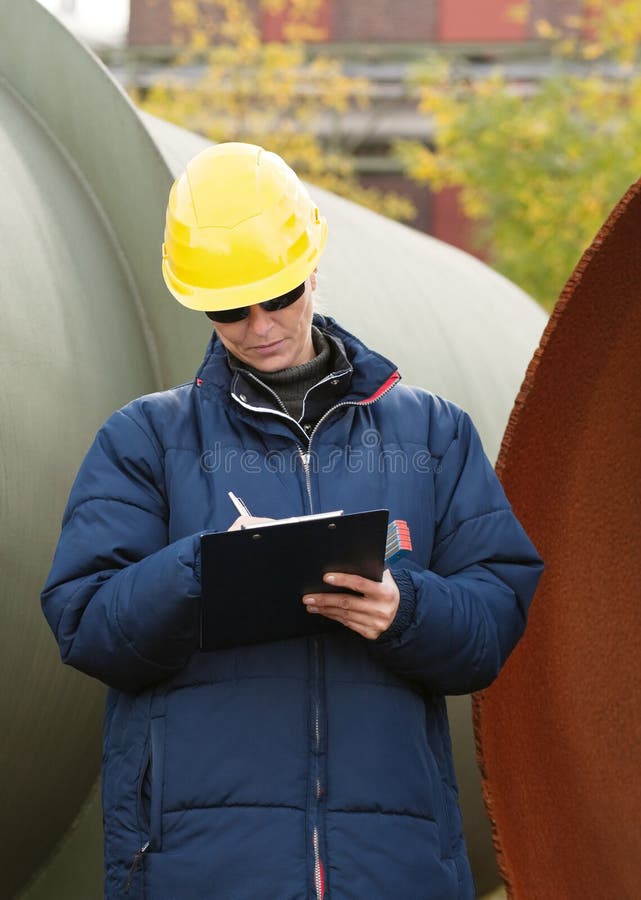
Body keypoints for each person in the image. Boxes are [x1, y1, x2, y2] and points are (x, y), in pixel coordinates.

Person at [41, 142, 544, 900]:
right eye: (227, 307)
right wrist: (200, 571)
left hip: (391, 870)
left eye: (276, 295)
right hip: (203, 871)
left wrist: (406, 610)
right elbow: (84, 621)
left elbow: (495, 614)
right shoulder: (143, 440)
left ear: (312, 265)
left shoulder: (432, 436)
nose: (258, 324)